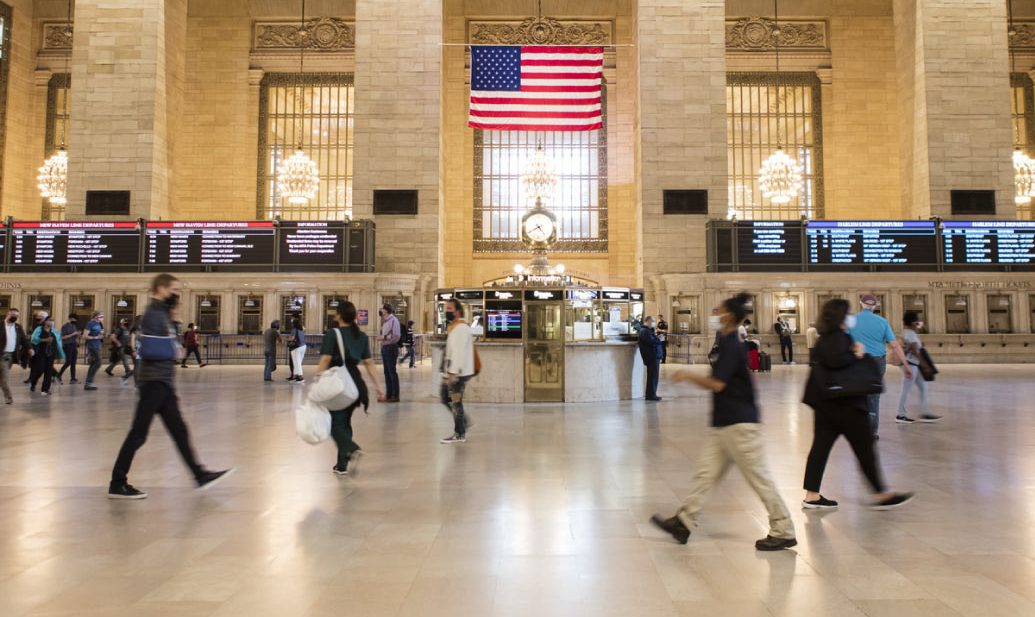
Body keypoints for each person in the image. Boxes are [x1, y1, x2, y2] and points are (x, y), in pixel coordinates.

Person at [650, 292, 797, 552]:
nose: (714, 314)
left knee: (759, 478)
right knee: (705, 476)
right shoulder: (729, 339)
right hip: (726, 423)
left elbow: (718, 383)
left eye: (719, 310)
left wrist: (686, 376)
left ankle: (783, 528)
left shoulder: (732, 343)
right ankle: (684, 521)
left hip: (739, 424)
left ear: (729, 315)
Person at [108, 273, 232, 499]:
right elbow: (159, 349)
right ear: (162, 289)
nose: (178, 293)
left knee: (179, 431)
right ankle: (117, 482)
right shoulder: (153, 313)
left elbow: (174, 345)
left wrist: (174, 319)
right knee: (139, 434)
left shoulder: (162, 313)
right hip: (153, 381)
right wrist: (174, 346)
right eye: (175, 289)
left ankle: (199, 474)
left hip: (163, 380)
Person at [801, 299, 915, 511]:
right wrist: (858, 353)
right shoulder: (838, 338)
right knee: (865, 448)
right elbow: (838, 362)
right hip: (847, 404)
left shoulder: (824, 337)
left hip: (826, 403)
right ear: (840, 317)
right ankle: (881, 494)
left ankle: (812, 495)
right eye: (847, 314)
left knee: (820, 448)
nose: (850, 318)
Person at [315, 301, 384, 475]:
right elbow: (369, 363)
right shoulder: (361, 336)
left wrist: (317, 379)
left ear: (338, 316)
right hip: (356, 386)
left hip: (338, 385)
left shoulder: (333, 334)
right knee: (344, 423)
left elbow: (325, 359)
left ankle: (352, 449)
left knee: (332, 423)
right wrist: (378, 386)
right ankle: (342, 464)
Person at [848, 294, 911, 437]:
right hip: (877, 361)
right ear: (875, 306)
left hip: (858, 361)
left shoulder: (852, 321)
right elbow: (895, 345)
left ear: (860, 304)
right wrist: (906, 364)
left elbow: (844, 341)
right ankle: (872, 431)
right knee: (874, 395)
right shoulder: (882, 321)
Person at [440, 298, 475, 444]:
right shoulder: (455, 327)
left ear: (458, 312)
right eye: (446, 309)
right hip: (457, 372)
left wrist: (452, 373)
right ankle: (463, 424)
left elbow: (459, 354)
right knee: (448, 399)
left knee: (455, 401)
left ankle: (460, 433)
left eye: (450, 309)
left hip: (458, 374)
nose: (447, 312)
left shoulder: (460, 329)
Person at [897, 311, 941, 424]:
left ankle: (925, 413)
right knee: (906, 390)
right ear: (913, 322)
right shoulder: (910, 333)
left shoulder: (909, 332)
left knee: (923, 387)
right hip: (911, 364)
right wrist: (925, 365)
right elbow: (915, 350)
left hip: (913, 364)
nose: (919, 322)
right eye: (917, 320)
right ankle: (900, 415)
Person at [1, 309, 32, 404]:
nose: (15, 317)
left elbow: (24, 340)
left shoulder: (18, 327)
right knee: (3, 379)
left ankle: (8, 398)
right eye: (13, 314)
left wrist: (30, 348)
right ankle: (8, 398)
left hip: (8, 356)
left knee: (4, 378)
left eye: (17, 316)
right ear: (8, 314)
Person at [29, 319, 64, 396]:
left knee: (48, 371)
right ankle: (33, 383)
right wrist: (44, 340)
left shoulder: (53, 331)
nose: (51, 324)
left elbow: (58, 341)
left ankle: (45, 389)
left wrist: (59, 352)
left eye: (52, 323)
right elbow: (33, 339)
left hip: (51, 354)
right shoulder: (39, 330)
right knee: (40, 370)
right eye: (49, 322)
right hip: (41, 354)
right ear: (45, 323)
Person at [377, 304, 402, 402]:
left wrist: (383, 337)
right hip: (385, 347)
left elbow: (396, 335)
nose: (381, 310)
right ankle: (389, 394)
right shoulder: (386, 321)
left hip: (391, 348)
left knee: (392, 372)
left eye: (382, 309)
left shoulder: (393, 321)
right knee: (386, 372)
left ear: (386, 311)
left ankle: (395, 396)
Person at [638, 315, 662, 401]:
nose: (654, 323)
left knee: (653, 376)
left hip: (653, 356)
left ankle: (651, 394)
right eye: (653, 321)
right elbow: (652, 342)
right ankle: (651, 395)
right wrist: (659, 340)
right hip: (652, 356)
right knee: (652, 376)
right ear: (648, 321)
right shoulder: (645, 331)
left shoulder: (647, 331)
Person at [105, 318, 133, 384]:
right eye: (125, 322)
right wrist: (118, 343)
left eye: (127, 321)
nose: (126, 323)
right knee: (125, 360)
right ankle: (128, 371)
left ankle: (108, 369)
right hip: (121, 348)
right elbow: (112, 337)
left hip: (125, 347)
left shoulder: (127, 330)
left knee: (117, 360)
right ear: (121, 323)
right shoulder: (119, 329)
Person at [83, 311, 105, 391]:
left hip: (97, 345)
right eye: (100, 316)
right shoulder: (90, 323)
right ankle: (89, 382)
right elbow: (85, 336)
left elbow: (100, 334)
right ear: (95, 316)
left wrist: (101, 335)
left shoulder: (99, 324)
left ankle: (88, 383)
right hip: (92, 346)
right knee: (98, 362)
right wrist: (95, 337)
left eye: (102, 316)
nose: (102, 317)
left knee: (93, 363)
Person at [56, 313, 81, 384]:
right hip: (67, 345)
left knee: (73, 363)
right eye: (74, 319)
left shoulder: (75, 326)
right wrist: (73, 334)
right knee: (68, 362)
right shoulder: (65, 326)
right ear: (70, 318)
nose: (75, 320)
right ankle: (58, 375)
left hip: (73, 345)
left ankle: (73, 378)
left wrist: (78, 335)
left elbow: (75, 337)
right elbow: (62, 337)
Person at [287, 316, 306, 383]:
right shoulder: (301, 329)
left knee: (297, 362)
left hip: (296, 347)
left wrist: (287, 339)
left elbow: (292, 338)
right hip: (303, 346)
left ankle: (301, 377)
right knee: (298, 362)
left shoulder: (294, 329)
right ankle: (295, 376)